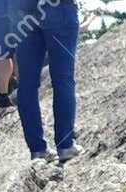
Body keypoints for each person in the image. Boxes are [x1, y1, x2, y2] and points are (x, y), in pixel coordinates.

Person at [11, 0, 80, 162]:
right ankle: (65, 146)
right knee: (63, 78)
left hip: (22, 13)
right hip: (59, 9)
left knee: (27, 83)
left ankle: (37, 150)